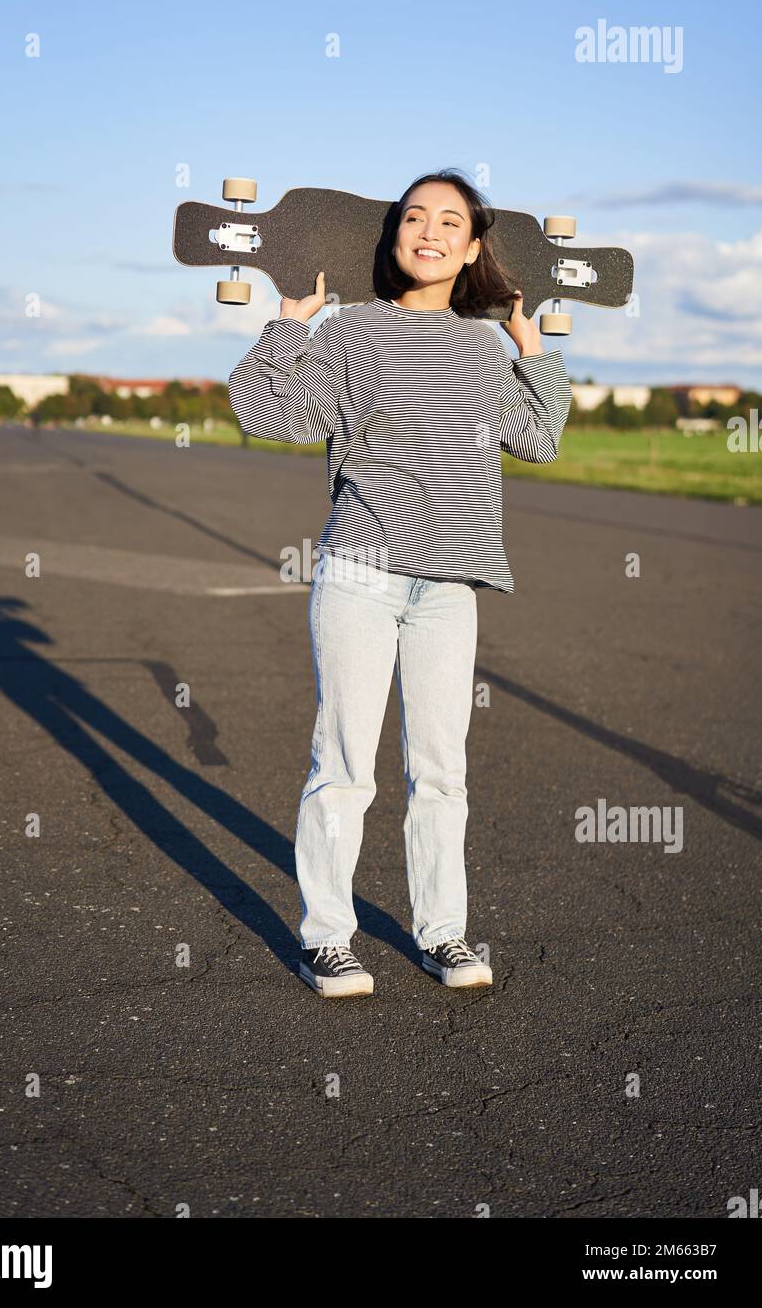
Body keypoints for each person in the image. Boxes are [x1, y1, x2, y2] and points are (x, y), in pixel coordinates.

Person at [228, 168, 572, 998]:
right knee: (345, 764)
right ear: (390, 241)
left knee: (441, 770)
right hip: (360, 573)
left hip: (450, 586)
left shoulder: (481, 347)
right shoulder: (349, 333)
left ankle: (442, 936)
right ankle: (328, 938)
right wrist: (286, 327)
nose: (429, 231)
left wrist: (534, 350)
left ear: (473, 247)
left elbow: (538, 440)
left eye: (449, 221)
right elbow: (264, 413)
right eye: (413, 217)